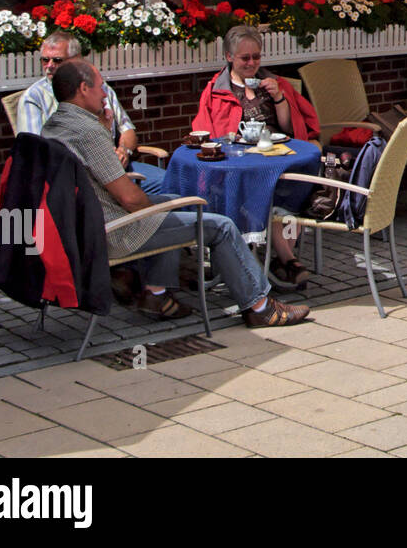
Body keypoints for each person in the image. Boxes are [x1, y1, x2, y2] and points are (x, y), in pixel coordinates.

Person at [42, 58, 308, 327]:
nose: (104, 92)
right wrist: (159, 212)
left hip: (84, 225)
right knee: (222, 227)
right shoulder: (87, 132)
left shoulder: (54, 126)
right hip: (113, 231)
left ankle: (156, 294)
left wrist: (166, 207)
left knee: (178, 201)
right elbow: (130, 199)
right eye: (100, 87)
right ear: (83, 89)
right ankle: (259, 306)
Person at [193, 24, 320, 285]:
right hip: (238, 164)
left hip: (277, 157)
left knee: (287, 186)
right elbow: (206, 135)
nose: (252, 63)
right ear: (229, 56)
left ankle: (276, 259)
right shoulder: (217, 90)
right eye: (245, 58)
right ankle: (285, 260)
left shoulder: (275, 83)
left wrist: (280, 99)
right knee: (264, 190)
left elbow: (292, 130)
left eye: (256, 57)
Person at [16, 30, 165, 199]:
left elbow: (127, 129)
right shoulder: (33, 98)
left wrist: (124, 151)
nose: (49, 65)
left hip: (119, 170)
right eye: (45, 60)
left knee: (171, 182)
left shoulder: (100, 88)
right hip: (77, 181)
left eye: (57, 60)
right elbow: (36, 154)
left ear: (76, 59)